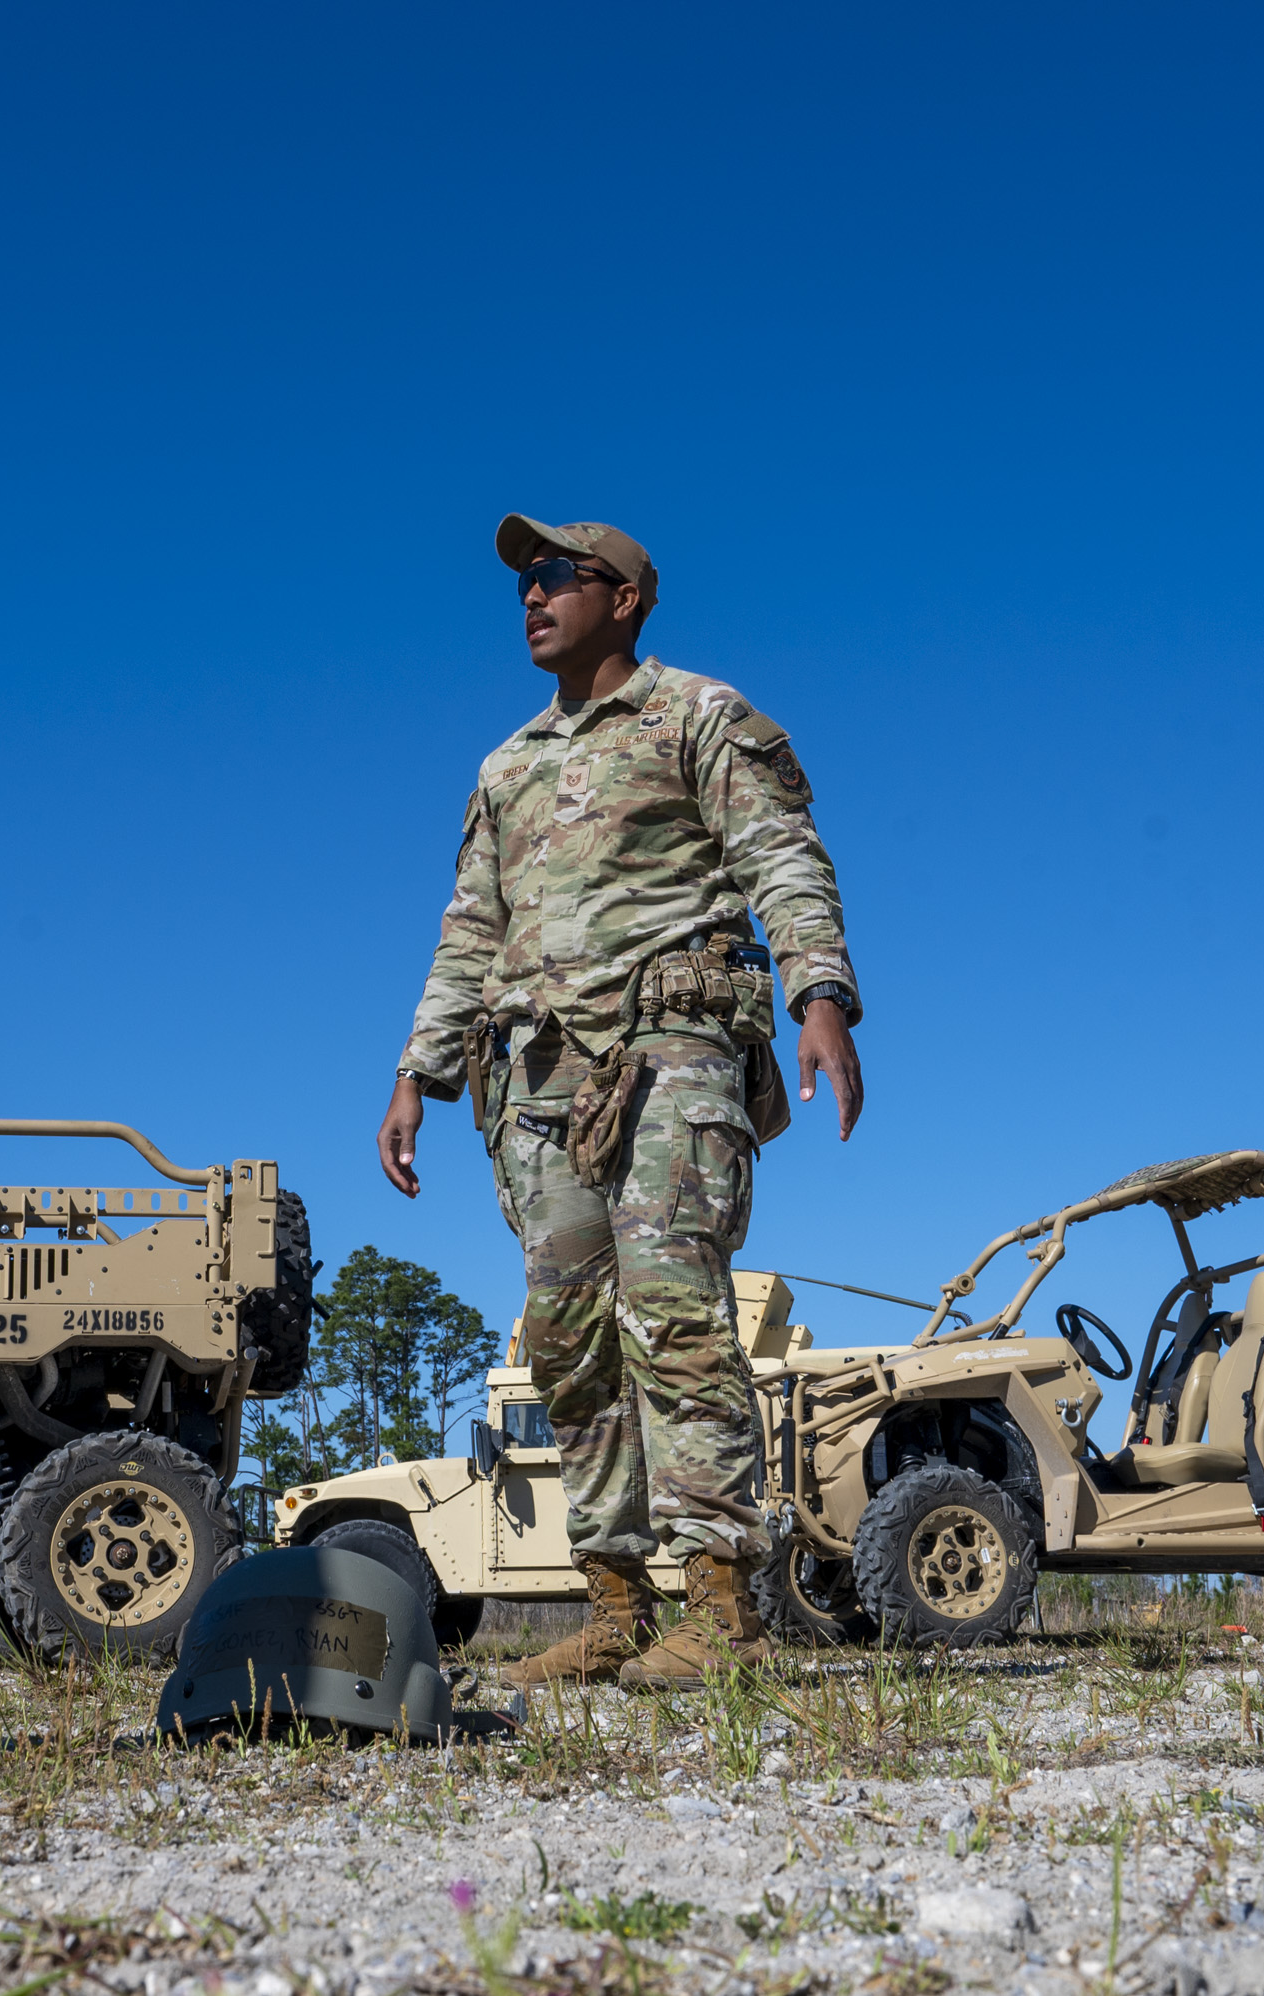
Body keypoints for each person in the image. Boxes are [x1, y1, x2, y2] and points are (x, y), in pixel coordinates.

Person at [378, 514, 862, 1688]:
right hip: (535, 1080)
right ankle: (615, 1607)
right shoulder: (506, 767)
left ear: (626, 597)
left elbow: (782, 854)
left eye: (557, 575)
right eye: (523, 580)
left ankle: (724, 1610)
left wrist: (821, 994)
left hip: (671, 1051)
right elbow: (471, 931)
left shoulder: (697, 714)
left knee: (676, 1318)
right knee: (565, 1341)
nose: (532, 595)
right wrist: (416, 1074)